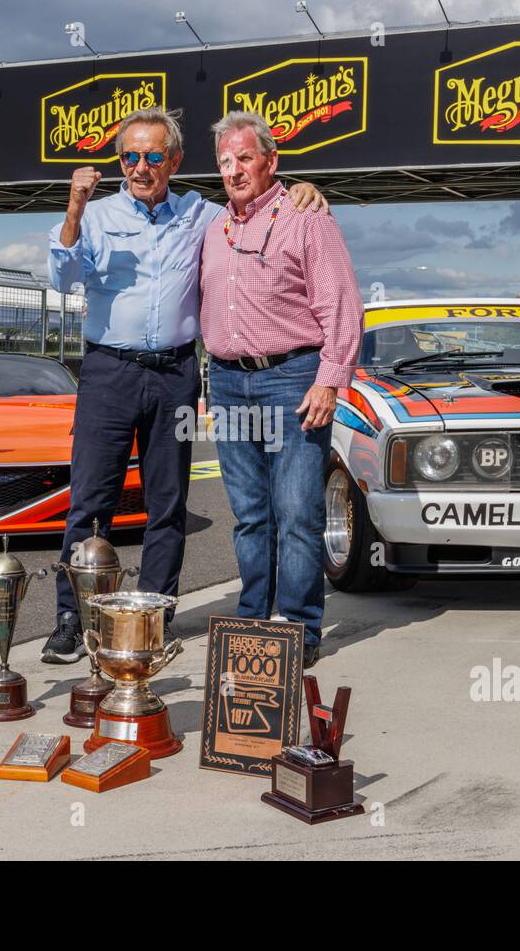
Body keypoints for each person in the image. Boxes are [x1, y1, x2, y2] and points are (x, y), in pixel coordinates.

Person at [42, 106, 327, 663]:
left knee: (167, 503)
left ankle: (153, 616)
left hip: (175, 373)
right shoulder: (96, 215)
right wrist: (74, 207)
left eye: (152, 156)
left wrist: (303, 189)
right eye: (129, 156)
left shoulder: (201, 214)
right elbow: (64, 275)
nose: (139, 167)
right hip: (108, 373)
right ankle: (72, 619)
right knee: (89, 502)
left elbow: (257, 202)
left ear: (173, 160)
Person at [199, 111, 364, 669]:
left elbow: (340, 303)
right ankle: (250, 621)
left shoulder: (305, 218)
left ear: (272, 162)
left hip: (292, 376)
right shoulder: (213, 227)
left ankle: (298, 628)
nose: (235, 170)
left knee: (296, 511)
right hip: (227, 380)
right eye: (225, 161)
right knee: (249, 513)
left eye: (245, 158)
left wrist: (329, 379)